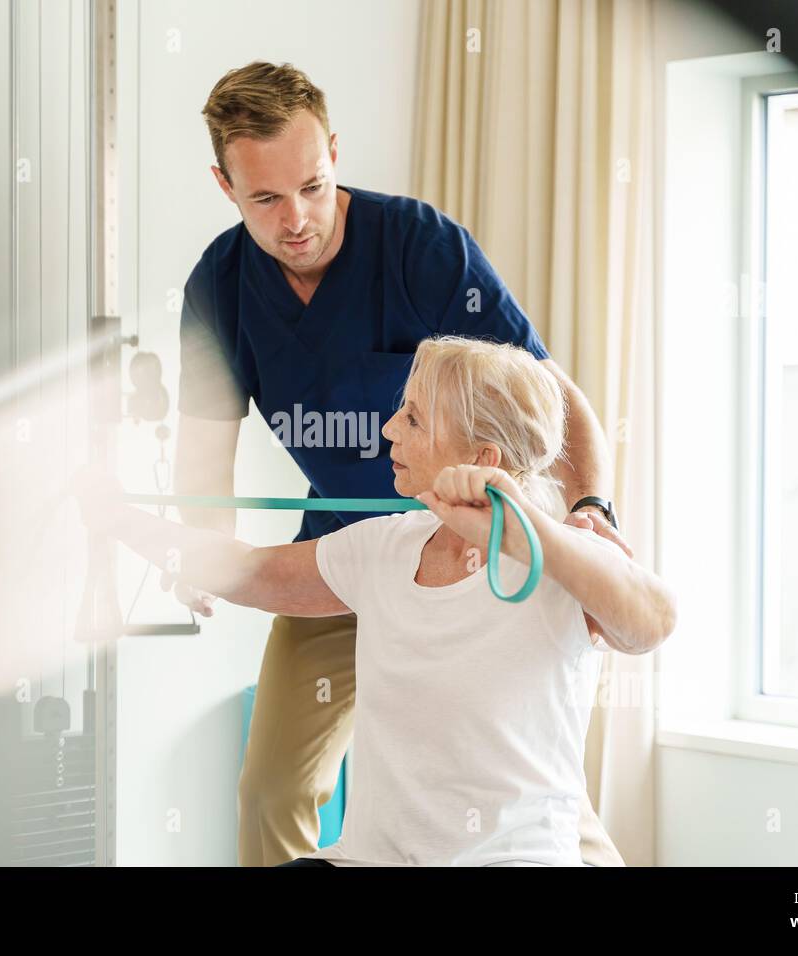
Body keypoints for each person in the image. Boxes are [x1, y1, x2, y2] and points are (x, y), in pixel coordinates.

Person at [175, 61, 632, 866]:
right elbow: (204, 450)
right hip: (345, 558)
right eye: (266, 199)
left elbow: (556, 401)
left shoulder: (421, 248)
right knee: (271, 791)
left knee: (530, 792)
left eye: (313, 186)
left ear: (336, 153)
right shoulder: (221, 286)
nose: (298, 219)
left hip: (471, 553)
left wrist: (593, 509)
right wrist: (201, 544)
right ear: (224, 184)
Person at [75, 336, 676, 866]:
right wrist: (118, 520)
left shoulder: (565, 558)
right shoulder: (386, 546)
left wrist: (523, 532)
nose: (389, 430)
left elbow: (653, 622)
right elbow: (250, 572)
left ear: (483, 458)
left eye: (413, 419)